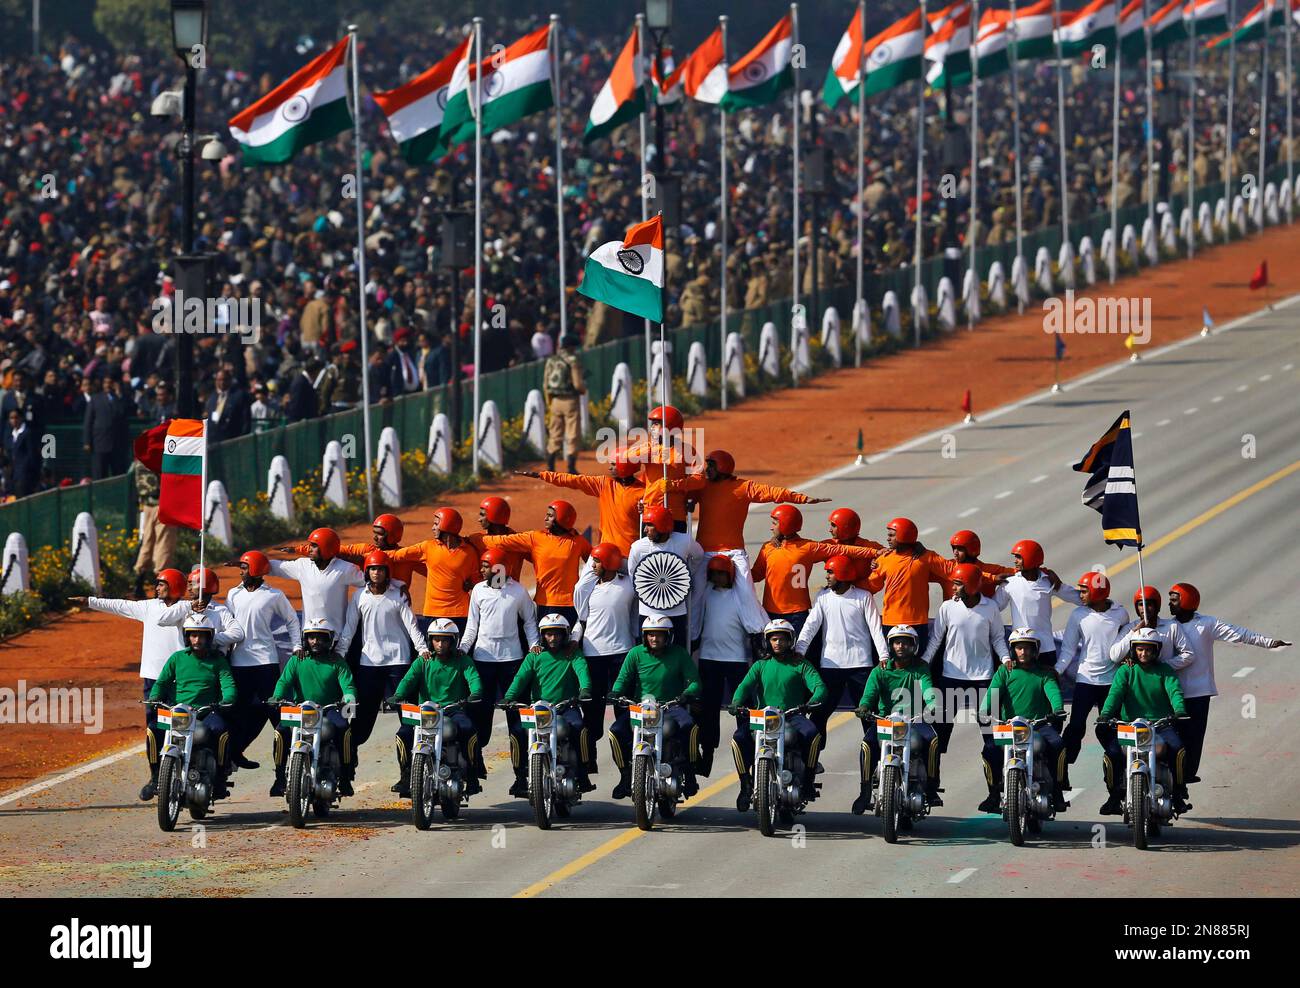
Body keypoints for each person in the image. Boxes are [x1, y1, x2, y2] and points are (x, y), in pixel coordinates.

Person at [669, 449, 828, 629]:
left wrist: (802, 499)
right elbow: (682, 496)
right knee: (696, 594)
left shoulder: (743, 487)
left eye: (711, 465)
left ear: (723, 467)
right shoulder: (702, 486)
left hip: (734, 551)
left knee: (747, 594)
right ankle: (693, 635)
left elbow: (772, 492)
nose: (707, 469)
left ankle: (760, 633)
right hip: (704, 551)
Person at [71, 568, 187, 800]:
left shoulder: (187, 609)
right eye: (157, 584)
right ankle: (156, 777)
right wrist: (90, 601)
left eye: (161, 584)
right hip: (154, 680)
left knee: (182, 728)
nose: (156, 588)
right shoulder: (149, 607)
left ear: (174, 587)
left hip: (182, 679)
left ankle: (186, 775)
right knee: (154, 729)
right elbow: (119, 605)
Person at [1165, 582, 1289, 786]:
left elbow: (1240, 634)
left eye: (1174, 600)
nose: (1169, 604)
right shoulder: (1166, 626)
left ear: (1186, 601)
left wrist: (1268, 642)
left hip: (1198, 693)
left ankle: (1184, 781)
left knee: (1194, 740)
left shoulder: (1207, 624)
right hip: (1170, 693)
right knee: (1170, 741)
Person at [339, 549, 431, 790]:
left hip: (398, 663)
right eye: (372, 569)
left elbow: (412, 625)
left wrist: (422, 649)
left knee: (409, 721)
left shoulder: (398, 595)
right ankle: (345, 772)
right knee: (359, 724)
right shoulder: (359, 596)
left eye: (380, 569)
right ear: (366, 572)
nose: (376, 573)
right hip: (369, 665)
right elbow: (349, 629)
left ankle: (408, 775)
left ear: (387, 572)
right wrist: (340, 653)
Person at [920, 562, 1009, 804]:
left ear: (970, 586)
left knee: (991, 739)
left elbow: (998, 638)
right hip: (951, 678)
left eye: (958, 584)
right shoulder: (948, 607)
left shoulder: (990, 608)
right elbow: (936, 638)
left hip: (983, 679)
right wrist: (924, 662)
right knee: (937, 737)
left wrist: (1006, 659)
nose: (953, 588)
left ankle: (995, 793)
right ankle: (930, 789)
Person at [752, 505, 879, 666]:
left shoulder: (807, 547)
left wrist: (875, 554)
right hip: (772, 613)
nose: (771, 527)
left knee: (800, 658)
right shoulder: (771, 547)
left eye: (775, 523)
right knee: (771, 659)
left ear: (786, 524)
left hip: (798, 614)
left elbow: (842, 549)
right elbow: (756, 575)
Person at [728, 618, 827, 812]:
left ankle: (808, 780)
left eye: (782, 639)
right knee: (738, 739)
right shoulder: (760, 665)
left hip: (792, 715)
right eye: (773, 639)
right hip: (763, 717)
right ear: (767, 642)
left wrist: (812, 702)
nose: (778, 643)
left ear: (791, 641)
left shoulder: (801, 664)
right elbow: (743, 687)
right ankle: (745, 785)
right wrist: (736, 703)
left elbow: (819, 687)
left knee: (813, 734)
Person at [460, 547, 540, 779]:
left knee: (517, 721)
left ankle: (521, 775)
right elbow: (472, 625)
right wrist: (463, 649)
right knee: (479, 717)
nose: (482, 570)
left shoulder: (518, 591)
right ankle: (475, 766)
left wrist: (534, 645)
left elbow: (529, 622)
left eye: (486, 566)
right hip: (483, 660)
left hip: (512, 662)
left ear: (499, 568)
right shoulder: (478, 590)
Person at [223, 551, 302, 778]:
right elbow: (226, 622)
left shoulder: (273, 595)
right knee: (236, 713)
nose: (241, 572)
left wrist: (297, 645)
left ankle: (284, 771)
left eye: (245, 568)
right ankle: (233, 754)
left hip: (266, 663)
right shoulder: (233, 594)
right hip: (238, 662)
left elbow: (291, 620)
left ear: (256, 570)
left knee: (277, 715)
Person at [1098, 627, 1190, 815]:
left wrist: (1179, 709)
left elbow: (1174, 691)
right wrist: (1105, 714)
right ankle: (1114, 795)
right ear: (1134, 649)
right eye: (1140, 649)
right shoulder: (1126, 670)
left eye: (1148, 649)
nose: (1144, 653)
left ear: (1156, 650)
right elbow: (1115, 693)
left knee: (1178, 749)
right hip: (1130, 726)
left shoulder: (1165, 670)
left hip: (1160, 725)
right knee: (1111, 755)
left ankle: (1178, 793)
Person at [608, 614, 702, 799]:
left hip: (671, 706)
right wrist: (616, 692)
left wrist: (686, 694)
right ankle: (625, 776)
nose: (654, 638)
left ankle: (689, 772)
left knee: (689, 726)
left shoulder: (679, 653)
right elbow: (622, 679)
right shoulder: (635, 653)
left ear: (668, 636)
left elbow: (695, 682)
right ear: (644, 636)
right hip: (641, 707)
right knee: (615, 732)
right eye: (650, 634)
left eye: (659, 634)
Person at [797, 554, 889, 743]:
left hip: (860, 666)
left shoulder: (863, 597)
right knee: (818, 715)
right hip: (831, 667)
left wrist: (884, 655)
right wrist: (799, 650)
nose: (827, 576)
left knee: (869, 715)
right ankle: (813, 755)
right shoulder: (823, 597)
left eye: (830, 572)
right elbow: (810, 626)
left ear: (843, 574)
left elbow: (875, 628)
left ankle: (875, 754)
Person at [501, 613, 594, 798]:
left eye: (557, 634)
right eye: (549, 634)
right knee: (517, 732)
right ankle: (520, 777)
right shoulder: (534, 656)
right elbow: (520, 678)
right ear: (542, 635)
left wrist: (585, 690)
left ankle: (583, 774)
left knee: (579, 728)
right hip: (538, 709)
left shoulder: (572, 653)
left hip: (565, 707)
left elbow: (582, 671)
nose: (553, 638)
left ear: (565, 635)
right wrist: (509, 697)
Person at [388, 618, 483, 798]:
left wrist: (475, 693)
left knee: (468, 729)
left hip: (453, 710)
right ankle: (406, 775)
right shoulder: (423, 661)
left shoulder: (463, 660)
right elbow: (408, 680)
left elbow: (474, 680)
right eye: (436, 639)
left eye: (445, 640)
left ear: (453, 641)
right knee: (403, 734)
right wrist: (398, 695)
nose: (440, 644)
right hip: (425, 711)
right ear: (430, 640)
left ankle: (472, 775)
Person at [148, 613, 238, 800]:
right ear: (187, 637)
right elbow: (161, 682)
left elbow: (228, 684)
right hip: (179, 711)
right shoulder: (177, 658)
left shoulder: (218, 660)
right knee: (153, 729)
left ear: (209, 637)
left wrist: (227, 700)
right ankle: (155, 777)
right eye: (193, 635)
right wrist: (155, 697)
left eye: (202, 635)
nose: (197, 640)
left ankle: (220, 778)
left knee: (220, 731)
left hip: (206, 711)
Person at [978, 628, 1068, 814]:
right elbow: (992, 693)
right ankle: (993, 793)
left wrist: (1057, 709)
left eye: (1027, 648)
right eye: (1019, 648)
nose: (1023, 652)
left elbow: (1053, 692)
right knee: (989, 750)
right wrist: (983, 711)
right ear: (1013, 650)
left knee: (1058, 744)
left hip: (1039, 726)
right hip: (1009, 726)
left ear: (1035, 650)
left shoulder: (1044, 673)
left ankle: (1058, 790)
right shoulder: (1005, 671)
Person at [853, 625, 940, 814]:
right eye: (897, 642)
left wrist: (933, 704)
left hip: (915, 720)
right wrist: (864, 707)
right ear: (890, 646)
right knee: (867, 745)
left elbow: (928, 690)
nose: (901, 646)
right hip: (886, 720)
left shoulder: (920, 668)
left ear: (914, 646)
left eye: (906, 643)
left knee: (932, 741)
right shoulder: (880, 670)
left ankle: (931, 788)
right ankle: (865, 791)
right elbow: (869, 695)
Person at [864, 517, 982, 655]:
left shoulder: (926, 557)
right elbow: (872, 586)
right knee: (894, 664)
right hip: (891, 621)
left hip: (917, 622)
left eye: (891, 535)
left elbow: (957, 571)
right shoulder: (884, 559)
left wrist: (991, 576)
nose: (888, 539)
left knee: (918, 663)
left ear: (903, 535)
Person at [1055, 572, 1128, 792]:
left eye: (1085, 591)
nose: (1080, 595)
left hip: (1112, 682)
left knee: (1110, 730)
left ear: (1098, 592)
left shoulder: (1120, 614)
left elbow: (1125, 644)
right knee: (1076, 727)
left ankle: (1116, 780)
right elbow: (1068, 649)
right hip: (1085, 680)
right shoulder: (1078, 615)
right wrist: (1057, 671)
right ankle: (1061, 773)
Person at [268, 617, 358, 797]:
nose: (315, 641)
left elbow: (348, 686)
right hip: (301, 708)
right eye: (311, 637)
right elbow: (284, 681)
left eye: (321, 637)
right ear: (305, 639)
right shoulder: (297, 660)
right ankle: (279, 778)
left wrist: (349, 698)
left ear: (329, 640)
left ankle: (346, 776)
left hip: (329, 709)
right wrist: (277, 697)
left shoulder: (337, 661)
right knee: (280, 731)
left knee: (344, 728)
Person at [696, 555, 767, 776]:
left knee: (743, 711)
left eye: (722, 573)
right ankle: (707, 752)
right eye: (714, 573)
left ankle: (749, 758)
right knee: (708, 710)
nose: (717, 577)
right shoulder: (705, 593)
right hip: (709, 659)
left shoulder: (740, 596)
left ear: (730, 575)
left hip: (736, 661)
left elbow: (756, 620)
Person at [573, 542, 638, 775]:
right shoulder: (588, 587)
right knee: (591, 713)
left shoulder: (628, 585)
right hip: (593, 656)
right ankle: (587, 763)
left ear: (610, 563)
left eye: (597, 561)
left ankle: (627, 768)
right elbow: (581, 616)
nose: (592, 565)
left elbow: (638, 570)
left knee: (624, 713)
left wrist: (619, 560)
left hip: (622, 654)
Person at [476, 500, 592, 625]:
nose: (545, 518)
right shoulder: (535, 537)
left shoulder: (578, 541)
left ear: (562, 518)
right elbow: (501, 541)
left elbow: (593, 560)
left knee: (571, 636)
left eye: (550, 516)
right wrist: (477, 539)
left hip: (572, 603)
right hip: (545, 602)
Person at [518, 454, 646, 555]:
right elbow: (574, 480)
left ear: (624, 466)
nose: (609, 468)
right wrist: (542, 475)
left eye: (613, 464)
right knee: (584, 581)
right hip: (605, 552)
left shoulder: (643, 493)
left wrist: (645, 510)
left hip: (630, 555)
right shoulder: (604, 484)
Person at [388, 507, 482, 634]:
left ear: (446, 525)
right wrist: (372, 555)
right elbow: (397, 555)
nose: (433, 528)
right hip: (433, 612)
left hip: (460, 612)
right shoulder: (427, 547)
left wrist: (470, 584)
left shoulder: (469, 552)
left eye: (436, 524)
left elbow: (476, 580)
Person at [626, 503, 706, 647]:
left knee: (677, 648)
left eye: (650, 525)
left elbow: (698, 556)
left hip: (677, 609)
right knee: (648, 650)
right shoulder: (638, 547)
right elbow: (633, 575)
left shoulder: (684, 541)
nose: (645, 530)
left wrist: (684, 575)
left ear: (662, 526)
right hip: (648, 609)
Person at [991, 539, 1079, 670]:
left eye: (1019, 557)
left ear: (1031, 558)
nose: (1015, 561)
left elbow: (1077, 597)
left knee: (1047, 683)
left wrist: (1101, 602)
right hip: (1020, 649)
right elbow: (992, 608)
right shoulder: (1010, 583)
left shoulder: (1049, 581)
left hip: (1045, 649)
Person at [269, 527, 365, 636]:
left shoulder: (345, 569)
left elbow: (369, 583)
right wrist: (256, 561)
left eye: (314, 546)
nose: (309, 549)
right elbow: (277, 567)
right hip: (309, 635)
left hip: (336, 637)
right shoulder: (303, 565)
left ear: (326, 548)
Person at [131, 463, 177, 597]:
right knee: (164, 543)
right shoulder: (161, 456)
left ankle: (138, 583)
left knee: (147, 542)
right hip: (163, 504)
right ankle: (160, 586)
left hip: (147, 505)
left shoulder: (140, 461)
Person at [542, 333, 586, 473]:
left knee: (555, 433)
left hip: (555, 400)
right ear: (572, 347)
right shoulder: (573, 360)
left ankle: (550, 465)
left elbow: (545, 383)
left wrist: (549, 401)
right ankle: (571, 467)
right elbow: (577, 384)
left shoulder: (552, 360)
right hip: (570, 400)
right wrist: (583, 390)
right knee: (572, 433)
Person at [463, 497, 525, 582]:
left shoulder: (477, 540)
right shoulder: (519, 541)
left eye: (482, 515)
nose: (479, 520)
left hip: (509, 590)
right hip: (489, 590)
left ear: (494, 515)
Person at [937, 530, 1014, 597]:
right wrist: (992, 578)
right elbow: (930, 559)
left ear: (971, 550)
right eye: (954, 548)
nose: (955, 553)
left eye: (959, 549)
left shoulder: (989, 569)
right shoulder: (947, 568)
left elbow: (1018, 573)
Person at [824, 507, 885, 591]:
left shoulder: (870, 547)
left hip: (862, 594)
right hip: (837, 593)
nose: (830, 530)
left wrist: (878, 563)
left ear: (845, 527)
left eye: (834, 526)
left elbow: (891, 556)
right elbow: (808, 549)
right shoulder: (829, 546)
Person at [3, 407, 40, 497]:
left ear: (21, 418)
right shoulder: (10, 436)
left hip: (24, 476)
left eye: (16, 417)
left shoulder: (27, 433)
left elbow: (32, 455)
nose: (14, 420)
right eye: (11, 418)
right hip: (13, 476)